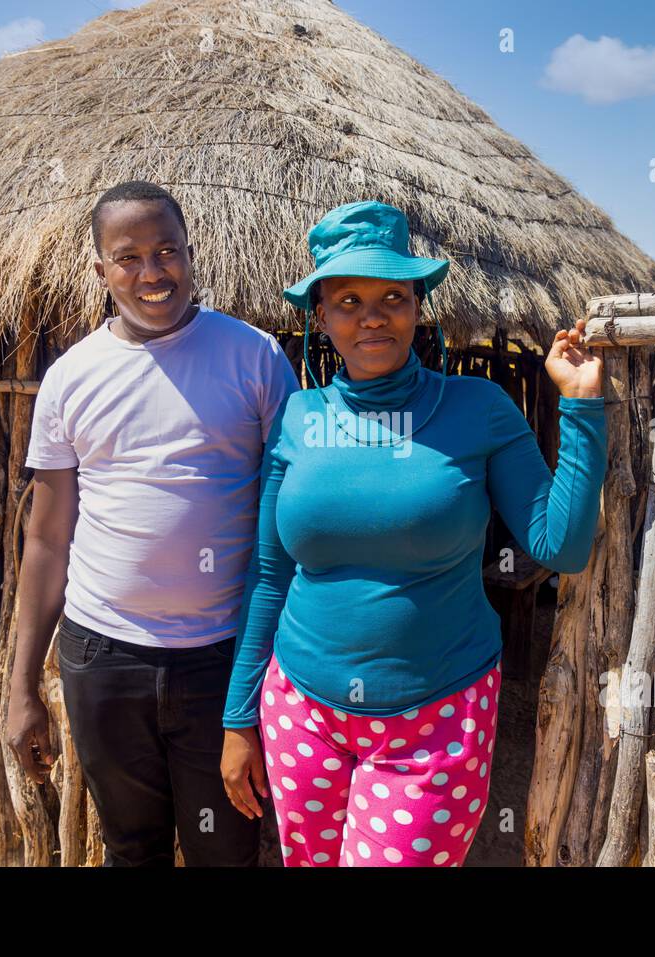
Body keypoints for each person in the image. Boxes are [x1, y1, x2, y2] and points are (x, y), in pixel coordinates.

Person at [220, 199, 607, 866]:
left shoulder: (476, 409)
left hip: (437, 716)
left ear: (418, 306)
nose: (372, 315)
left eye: (392, 295)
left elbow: (559, 545)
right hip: (302, 710)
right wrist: (237, 717)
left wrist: (581, 403)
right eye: (348, 299)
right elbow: (270, 575)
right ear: (320, 314)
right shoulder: (296, 418)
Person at [6, 181, 299, 866]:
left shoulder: (253, 358)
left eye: (166, 251)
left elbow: (289, 512)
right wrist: (21, 688)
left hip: (223, 659)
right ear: (100, 270)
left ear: (192, 254)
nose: (151, 272)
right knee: (129, 847)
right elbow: (47, 538)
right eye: (128, 256)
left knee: (225, 849)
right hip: (104, 657)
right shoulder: (72, 377)